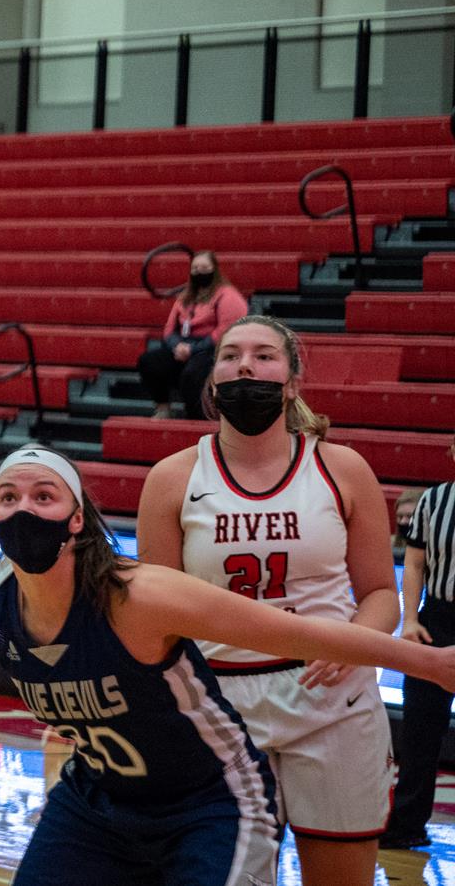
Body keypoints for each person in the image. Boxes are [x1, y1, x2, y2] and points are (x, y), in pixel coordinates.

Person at [0, 444, 455, 886]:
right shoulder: (2, 600)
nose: (24, 509)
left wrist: (431, 662)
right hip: (98, 799)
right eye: (8, 497)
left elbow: (298, 633)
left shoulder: (139, 596)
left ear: (77, 519)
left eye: (43, 496)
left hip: (209, 802)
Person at [136, 314, 398, 886]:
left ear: (292, 381)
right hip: (219, 704)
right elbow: (154, 611)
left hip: (332, 697)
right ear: (213, 381)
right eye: (231, 356)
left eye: (264, 355)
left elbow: (381, 593)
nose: (246, 367)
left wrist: (354, 644)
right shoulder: (172, 478)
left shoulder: (342, 468)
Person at [385, 439, 455, 851]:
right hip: (437, 620)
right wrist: (410, 619)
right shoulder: (432, 501)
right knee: (419, 732)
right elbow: (413, 563)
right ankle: (407, 825)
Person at [136, 251, 247, 419]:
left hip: (211, 349)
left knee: (193, 373)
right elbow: (169, 329)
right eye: (195, 268)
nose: (199, 272)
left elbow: (226, 330)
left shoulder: (227, 295)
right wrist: (177, 346)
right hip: (183, 345)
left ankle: (196, 416)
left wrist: (193, 349)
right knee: (149, 361)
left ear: (214, 269)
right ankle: (163, 408)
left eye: (204, 268)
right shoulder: (185, 295)